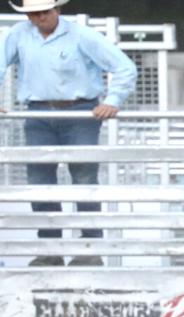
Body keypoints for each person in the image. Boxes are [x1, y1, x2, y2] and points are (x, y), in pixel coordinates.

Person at [1, 0, 138, 267]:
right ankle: (50, 249)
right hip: (38, 112)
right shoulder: (18, 34)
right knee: (40, 183)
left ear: (56, 11)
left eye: (45, 11)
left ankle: (89, 247)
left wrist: (113, 99)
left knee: (84, 178)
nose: (40, 17)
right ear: (28, 15)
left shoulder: (81, 35)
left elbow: (124, 67)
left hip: (80, 112)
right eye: (34, 13)